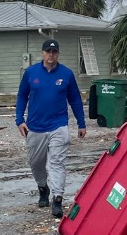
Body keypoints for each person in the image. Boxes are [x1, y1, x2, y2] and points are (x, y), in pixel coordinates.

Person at [16, 39, 86, 217]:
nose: (51, 55)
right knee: (36, 163)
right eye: (48, 52)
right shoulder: (31, 73)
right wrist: (19, 120)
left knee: (57, 162)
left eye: (54, 52)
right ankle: (42, 188)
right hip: (35, 126)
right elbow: (22, 96)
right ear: (42, 53)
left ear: (58, 55)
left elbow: (75, 100)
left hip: (58, 126)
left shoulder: (66, 74)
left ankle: (57, 199)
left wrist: (81, 123)